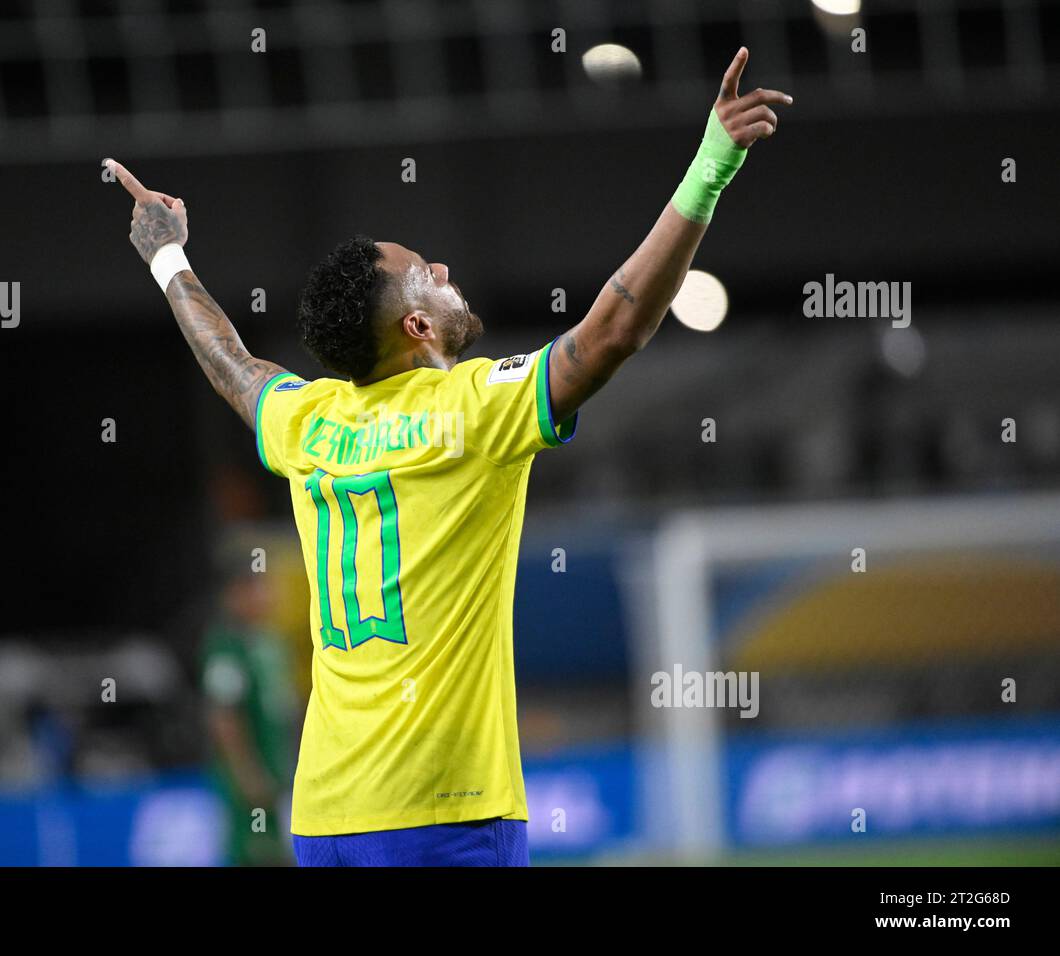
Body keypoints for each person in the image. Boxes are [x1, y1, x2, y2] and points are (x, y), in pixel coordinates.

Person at [106, 48, 789, 866]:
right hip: (445, 811)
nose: (443, 271)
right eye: (424, 274)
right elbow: (613, 328)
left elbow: (234, 366)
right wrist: (711, 166)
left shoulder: (308, 422)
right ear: (418, 329)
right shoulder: (474, 408)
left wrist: (167, 257)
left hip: (327, 818)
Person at [200, 568, 298, 866]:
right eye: (257, 588)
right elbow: (222, 714)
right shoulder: (226, 646)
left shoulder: (271, 642)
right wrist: (247, 773)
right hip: (253, 780)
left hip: (282, 774)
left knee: (285, 854)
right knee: (257, 853)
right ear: (235, 594)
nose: (267, 595)